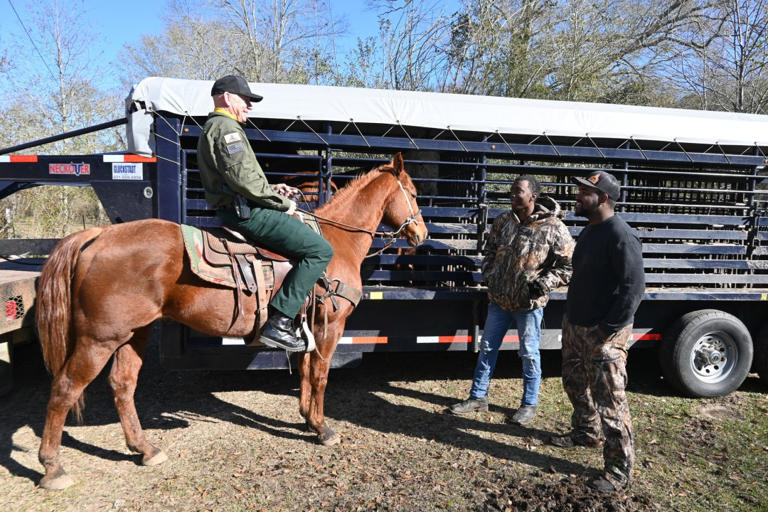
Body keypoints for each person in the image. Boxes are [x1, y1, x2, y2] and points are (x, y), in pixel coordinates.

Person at [196, 74, 333, 352]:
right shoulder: (227, 129)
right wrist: (283, 204)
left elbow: (236, 179)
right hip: (247, 213)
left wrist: (273, 188)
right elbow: (243, 181)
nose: (249, 106)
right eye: (245, 99)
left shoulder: (217, 127)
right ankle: (280, 323)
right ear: (227, 97)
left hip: (238, 207)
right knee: (320, 250)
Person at [547, 171, 645, 493]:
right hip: (576, 327)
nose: (577, 196)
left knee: (611, 403)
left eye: (584, 192)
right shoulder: (590, 231)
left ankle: (618, 471)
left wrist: (605, 331)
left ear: (602, 198)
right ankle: (586, 433)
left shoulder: (621, 236)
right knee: (574, 384)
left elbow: (633, 290)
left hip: (604, 335)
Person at [449, 176, 574, 425]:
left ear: (533, 196)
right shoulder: (503, 221)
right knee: (487, 348)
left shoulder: (553, 226)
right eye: (512, 191)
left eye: (519, 191)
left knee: (529, 353)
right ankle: (478, 397)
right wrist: (490, 275)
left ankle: (529, 404)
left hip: (528, 304)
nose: (513, 195)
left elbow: (569, 265)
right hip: (499, 301)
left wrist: (545, 282)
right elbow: (490, 251)